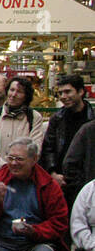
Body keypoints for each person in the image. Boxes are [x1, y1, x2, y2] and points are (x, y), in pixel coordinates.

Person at [40, 73, 94, 207]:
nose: (63, 97)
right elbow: (48, 148)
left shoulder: (92, 119)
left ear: (81, 92)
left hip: (88, 178)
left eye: (68, 91)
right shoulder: (57, 119)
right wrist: (52, 173)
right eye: (61, 93)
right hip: (62, 180)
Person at [0, 76, 48, 170]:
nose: (13, 94)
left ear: (26, 96)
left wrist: (17, 164)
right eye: (12, 90)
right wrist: (4, 166)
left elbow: (35, 147)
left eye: (19, 92)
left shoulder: (34, 117)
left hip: (24, 173)